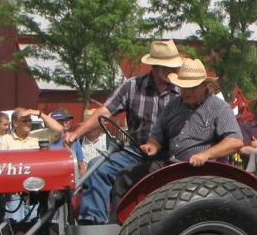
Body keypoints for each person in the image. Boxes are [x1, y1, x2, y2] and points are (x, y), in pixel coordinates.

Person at [65, 39, 183, 223]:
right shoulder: (132, 86)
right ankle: (92, 224)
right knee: (97, 167)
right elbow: (105, 111)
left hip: (172, 154)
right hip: (136, 151)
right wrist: (76, 134)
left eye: (173, 67)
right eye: (167, 67)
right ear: (154, 66)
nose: (172, 72)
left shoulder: (183, 90)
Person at [142, 57, 243, 165]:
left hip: (207, 171)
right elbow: (157, 135)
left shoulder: (220, 108)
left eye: (192, 87)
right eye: (183, 87)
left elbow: (235, 141)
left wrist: (206, 155)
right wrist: (152, 145)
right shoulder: (172, 106)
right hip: (171, 166)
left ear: (204, 86)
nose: (187, 91)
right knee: (131, 174)